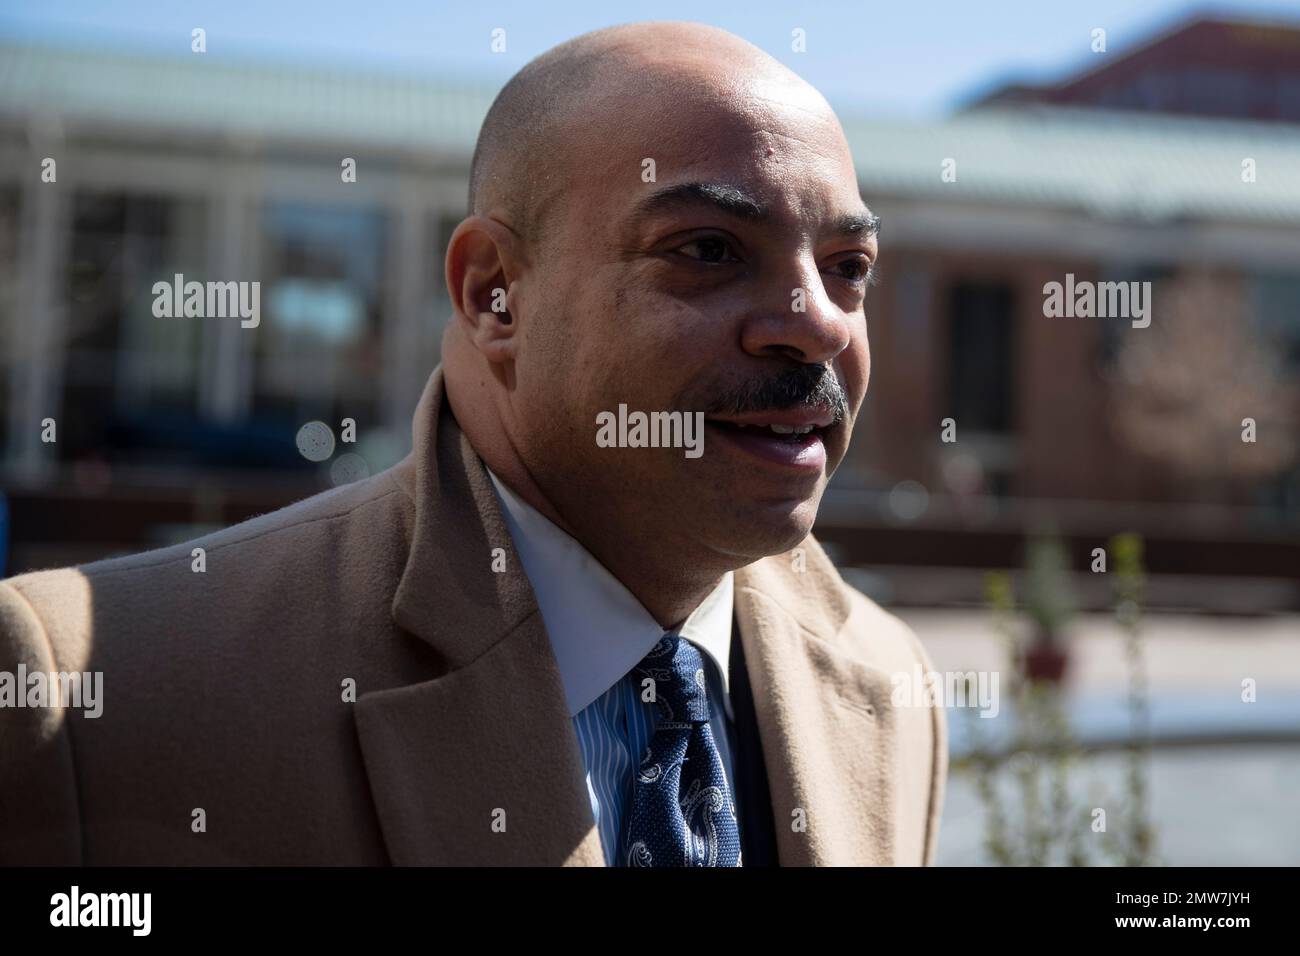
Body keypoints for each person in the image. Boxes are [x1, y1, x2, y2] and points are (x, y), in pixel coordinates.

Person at [0, 20, 946, 866]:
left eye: (846, 268)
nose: (816, 325)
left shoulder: (893, 680)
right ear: (495, 293)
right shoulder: (88, 695)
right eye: (707, 250)